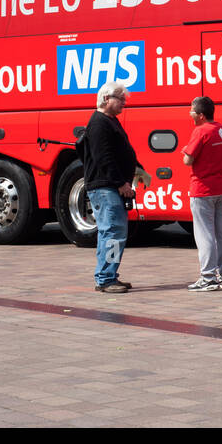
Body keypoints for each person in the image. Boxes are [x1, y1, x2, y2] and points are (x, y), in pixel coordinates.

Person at [82, 81, 141, 293]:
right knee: (113, 232)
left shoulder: (110, 121)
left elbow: (120, 152)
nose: (124, 103)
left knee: (112, 233)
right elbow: (104, 158)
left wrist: (137, 169)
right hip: (107, 188)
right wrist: (121, 183)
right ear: (106, 99)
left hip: (110, 187)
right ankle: (106, 278)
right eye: (121, 99)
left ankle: (108, 274)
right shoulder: (99, 124)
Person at [182, 96, 222, 292]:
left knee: (204, 234)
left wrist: (185, 152)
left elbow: (188, 160)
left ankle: (208, 278)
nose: (190, 115)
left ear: (201, 115)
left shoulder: (200, 131)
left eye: (192, 112)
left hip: (202, 188)